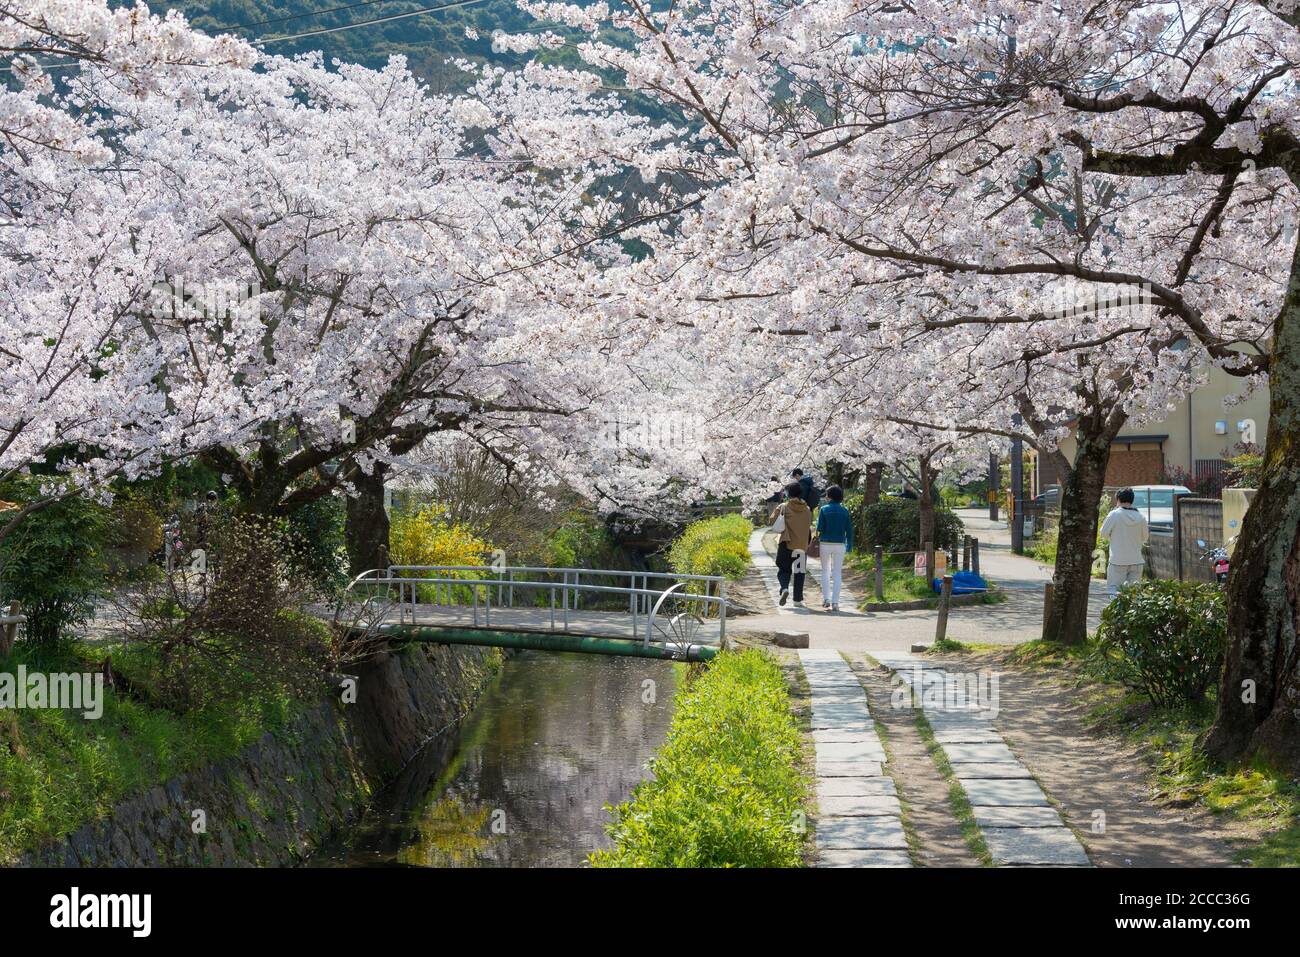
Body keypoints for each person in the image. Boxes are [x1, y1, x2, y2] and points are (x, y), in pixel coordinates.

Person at [1100, 487, 1149, 593]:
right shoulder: (1141, 517)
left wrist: (1113, 537)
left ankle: (1115, 610)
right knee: (1133, 593)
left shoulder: (1114, 515)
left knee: (1114, 590)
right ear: (1132, 500)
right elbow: (1145, 537)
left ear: (1118, 499)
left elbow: (1103, 533)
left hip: (1117, 560)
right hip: (1136, 561)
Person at [815, 484, 853, 611]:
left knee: (825, 571)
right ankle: (836, 602)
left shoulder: (824, 509)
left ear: (829, 496)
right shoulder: (845, 511)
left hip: (825, 543)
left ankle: (826, 599)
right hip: (840, 544)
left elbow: (819, 528)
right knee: (837, 573)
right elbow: (849, 530)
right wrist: (850, 545)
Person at [774, 481, 812, 607]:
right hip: (801, 546)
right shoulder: (807, 509)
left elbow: (772, 520)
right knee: (800, 572)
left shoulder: (783, 507)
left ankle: (784, 588)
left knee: (784, 570)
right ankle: (797, 599)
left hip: (786, 544)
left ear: (788, 493)